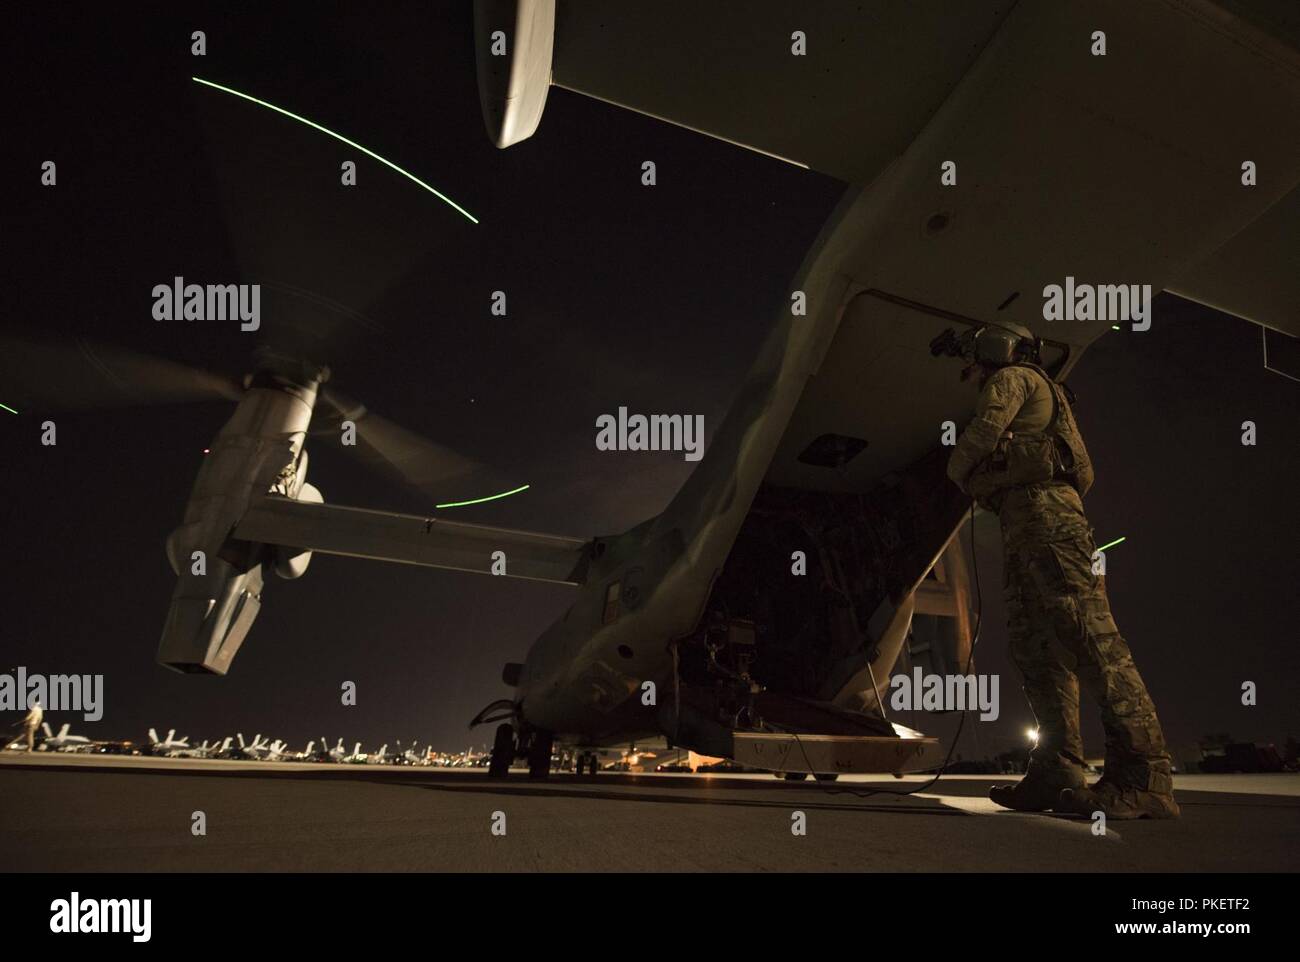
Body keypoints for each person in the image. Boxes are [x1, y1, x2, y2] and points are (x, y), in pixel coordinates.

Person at [944, 323, 1178, 819]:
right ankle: (1058, 770)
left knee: (1090, 637)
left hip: (1046, 522)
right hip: (1031, 525)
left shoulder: (1013, 379)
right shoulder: (1048, 392)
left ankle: (1144, 775)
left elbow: (982, 435)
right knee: (1038, 648)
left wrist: (959, 470)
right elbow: (1083, 474)